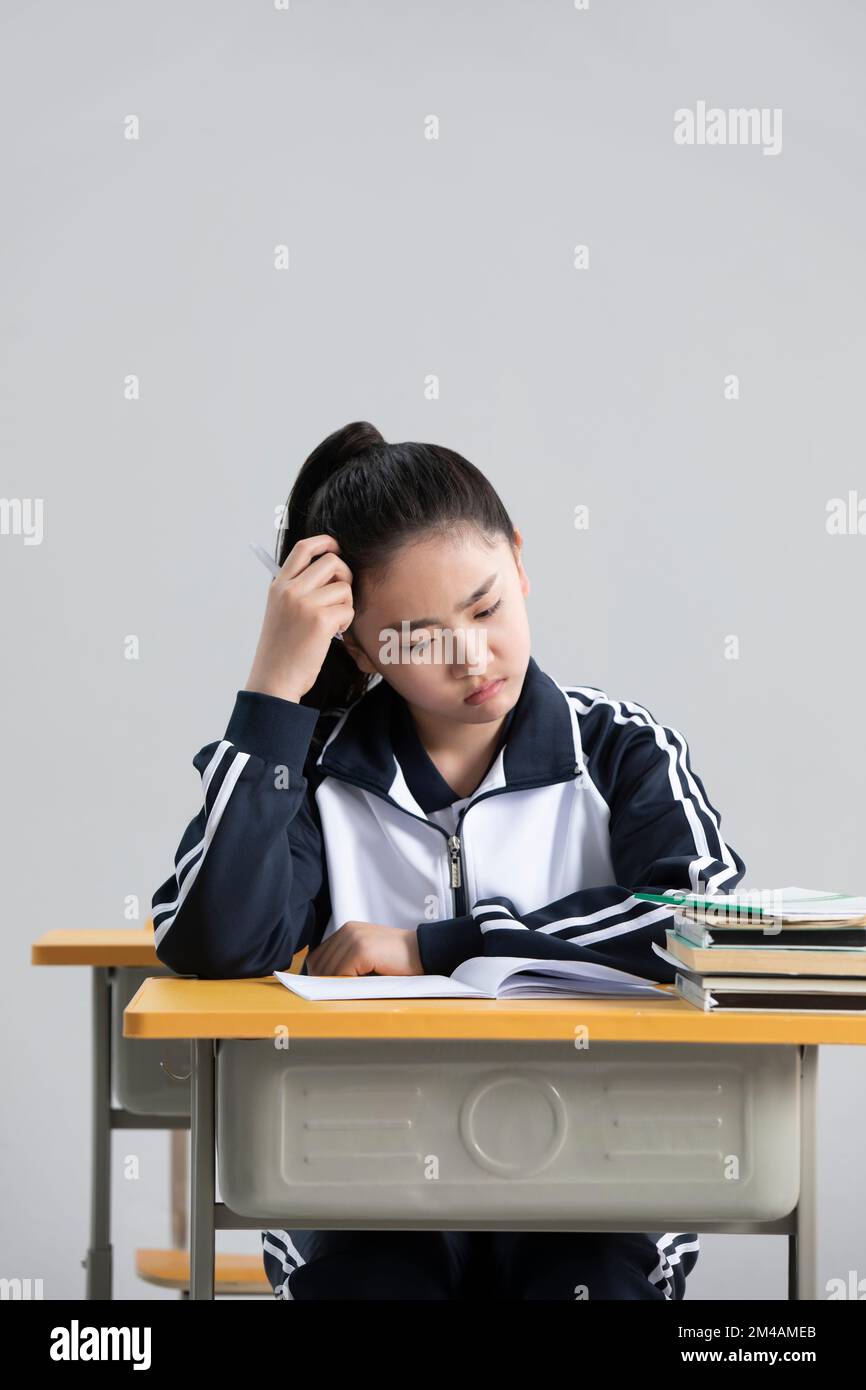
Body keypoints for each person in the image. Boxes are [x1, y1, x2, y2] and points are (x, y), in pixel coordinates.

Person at [151, 420, 745, 1300]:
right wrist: (274, 689)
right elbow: (210, 944)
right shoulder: (312, 776)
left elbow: (710, 923)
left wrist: (440, 945)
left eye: (487, 607)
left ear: (520, 562)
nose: (472, 659)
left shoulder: (621, 751)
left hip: (598, 1179)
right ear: (358, 648)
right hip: (362, 1182)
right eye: (420, 639)